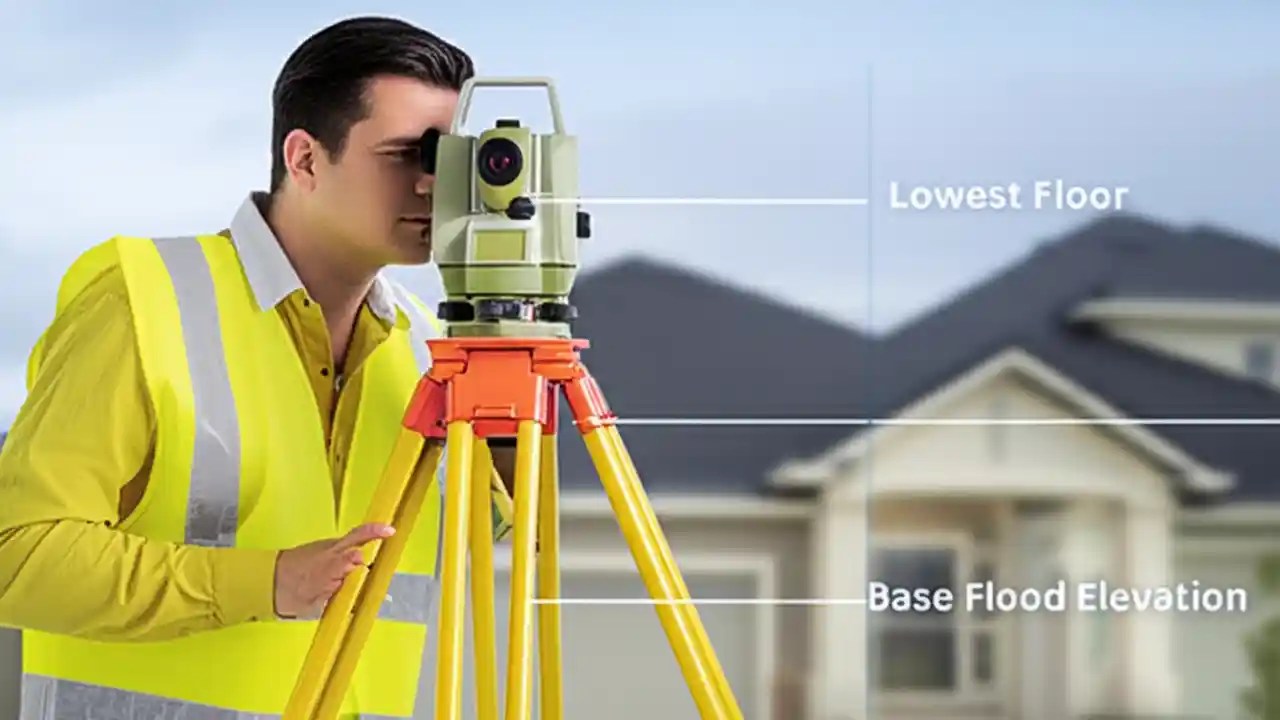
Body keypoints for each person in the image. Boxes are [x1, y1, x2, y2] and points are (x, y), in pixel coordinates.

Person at [0, 15, 516, 718]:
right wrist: (266, 582)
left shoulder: (430, 349)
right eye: (405, 155)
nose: (434, 185)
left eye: (451, 159)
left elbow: (496, 531)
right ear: (304, 159)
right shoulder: (146, 304)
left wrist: (513, 353)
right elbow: (17, 555)